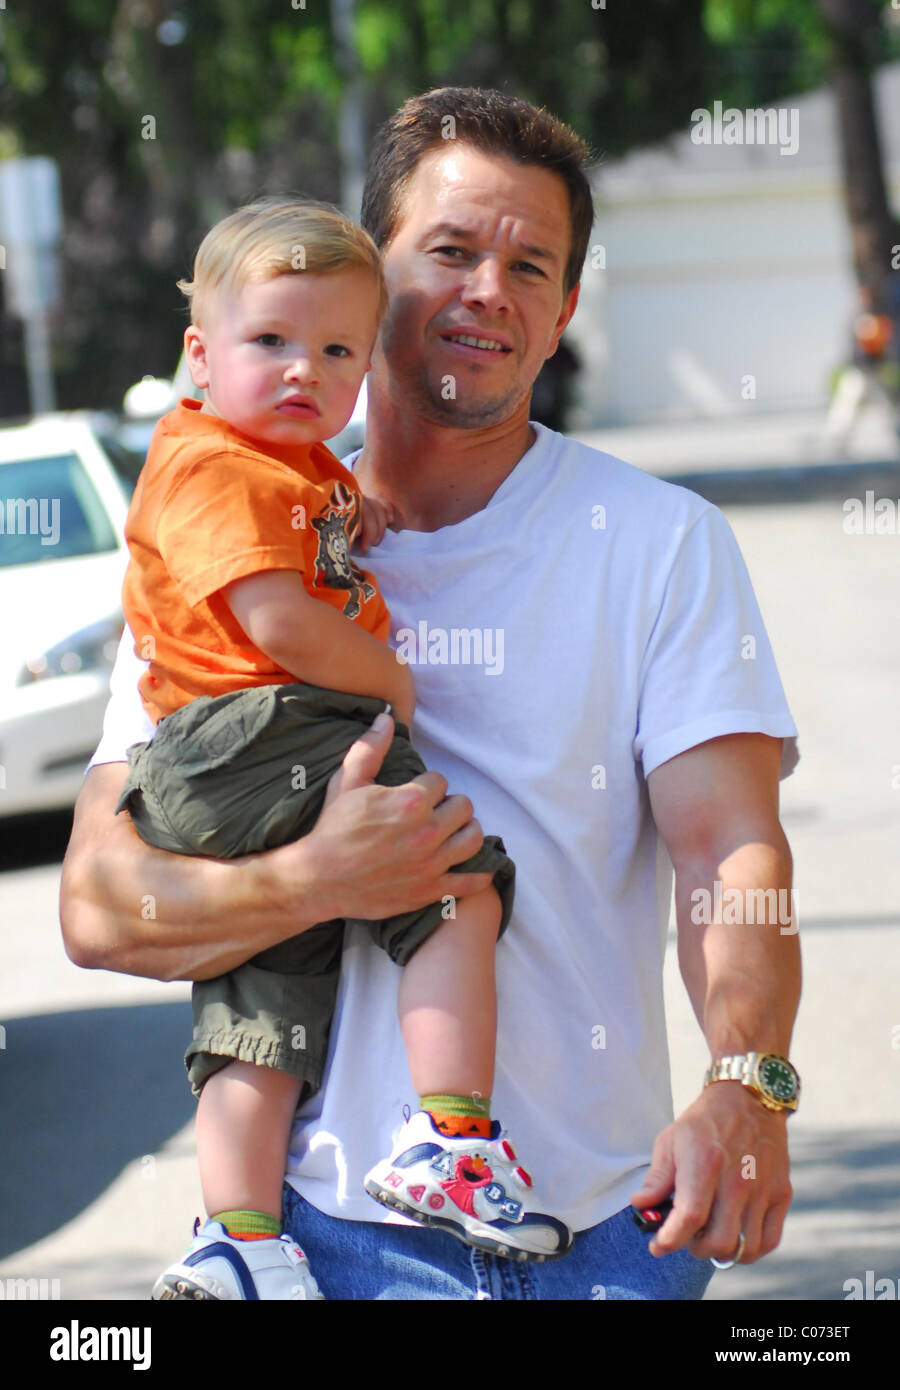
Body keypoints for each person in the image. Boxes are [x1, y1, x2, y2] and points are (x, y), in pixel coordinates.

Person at [61, 86, 801, 1301]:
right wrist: (313, 880)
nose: (488, 291)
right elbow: (97, 908)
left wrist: (748, 1080)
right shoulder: (234, 535)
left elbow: (733, 849)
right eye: (450, 251)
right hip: (321, 1246)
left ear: (563, 312)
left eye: (530, 265)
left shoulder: (661, 541)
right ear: (372, 276)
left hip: (610, 1246)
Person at [115, 197, 571, 1300]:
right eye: (268, 341)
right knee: (455, 883)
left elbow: (308, 534)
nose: (300, 372)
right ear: (199, 353)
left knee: (260, 1002)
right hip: (263, 728)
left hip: (219, 771)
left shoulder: (287, 465)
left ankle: (239, 1236)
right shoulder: (213, 465)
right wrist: (391, 681)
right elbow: (277, 621)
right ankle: (452, 1138)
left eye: (335, 351)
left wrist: (349, 512)